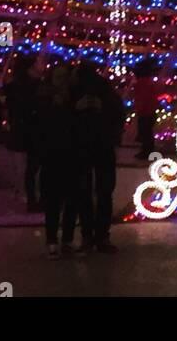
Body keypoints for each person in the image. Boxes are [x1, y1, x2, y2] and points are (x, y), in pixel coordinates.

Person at [72, 59, 125, 252]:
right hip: (103, 146)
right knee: (104, 193)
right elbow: (119, 117)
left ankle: (88, 236)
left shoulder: (75, 91)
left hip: (82, 147)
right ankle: (101, 236)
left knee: (84, 192)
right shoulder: (108, 93)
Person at [34, 62, 80, 256]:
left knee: (70, 201)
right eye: (59, 77)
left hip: (71, 156)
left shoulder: (73, 101)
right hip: (53, 156)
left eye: (65, 77)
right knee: (54, 201)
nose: (62, 82)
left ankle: (67, 240)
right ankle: (52, 239)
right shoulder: (46, 101)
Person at [3, 52, 41, 211]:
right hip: (33, 131)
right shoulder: (37, 86)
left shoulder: (12, 86)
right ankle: (30, 197)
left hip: (18, 129)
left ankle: (21, 193)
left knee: (20, 166)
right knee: (30, 168)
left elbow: (8, 108)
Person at [133, 57, 160, 160]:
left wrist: (139, 109)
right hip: (150, 111)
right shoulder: (149, 82)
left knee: (146, 133)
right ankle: (147, 152)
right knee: (147, 133)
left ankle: (147, 153)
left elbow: (142, 98)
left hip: (146, 112)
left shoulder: (142, 83)